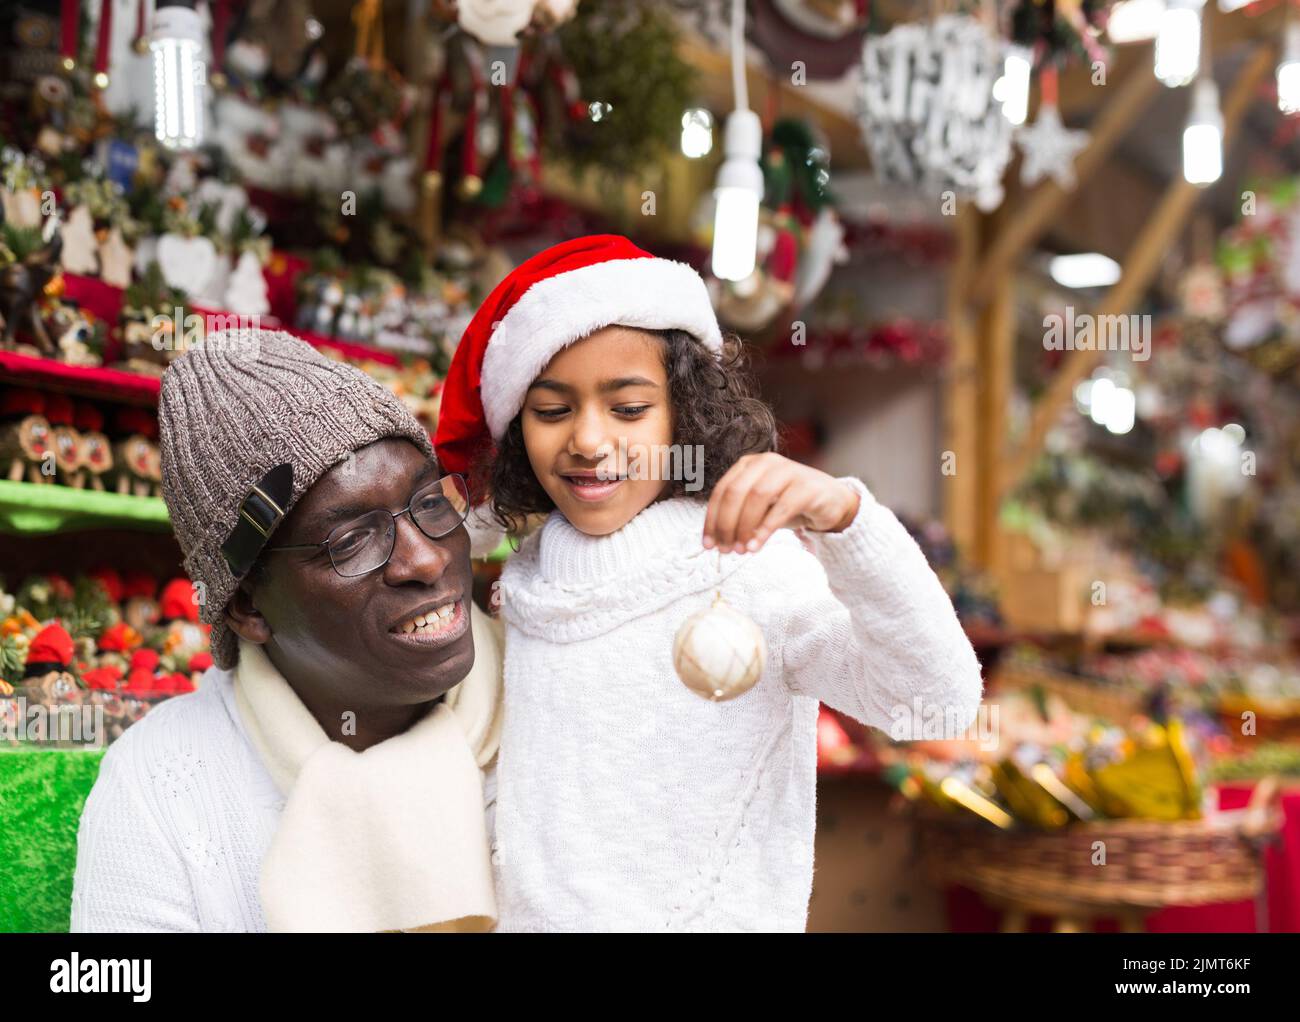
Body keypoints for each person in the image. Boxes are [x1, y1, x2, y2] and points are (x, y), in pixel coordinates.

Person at [434, 234, 985, 932]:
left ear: (685, 412)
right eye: (552, 411)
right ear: (516, 430)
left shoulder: (753, 566)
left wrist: (847, 520)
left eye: (629, 408)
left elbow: (934, 704)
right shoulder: (527, 581)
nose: (590, 440)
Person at [71, 329, 502, 932]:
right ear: (248, 605)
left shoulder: (554, 702)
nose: (426, 561)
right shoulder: (160, 786)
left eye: (430, 503)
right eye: (352, 540)